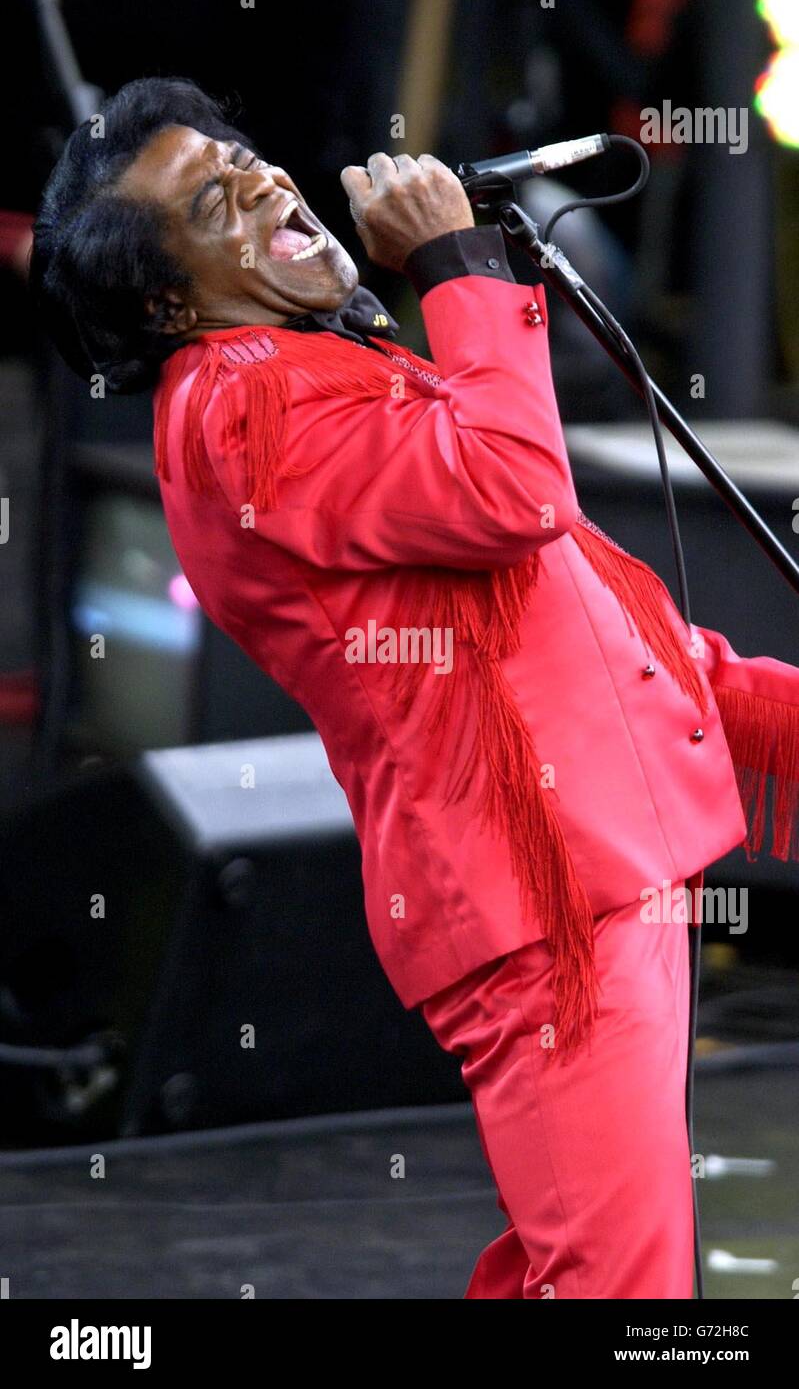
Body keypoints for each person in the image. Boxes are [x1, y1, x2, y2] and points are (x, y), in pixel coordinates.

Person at [30, 77, 799, 1299]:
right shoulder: (236, 408)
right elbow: (516, 496)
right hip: (544, 907)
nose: (261, 181)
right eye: (210, 201)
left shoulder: (310, 363)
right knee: (616, 1288)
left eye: (243, 155)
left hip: (597, 848)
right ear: (171, 297)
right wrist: (454, 266)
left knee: (589, 1270)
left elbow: (555, 635)